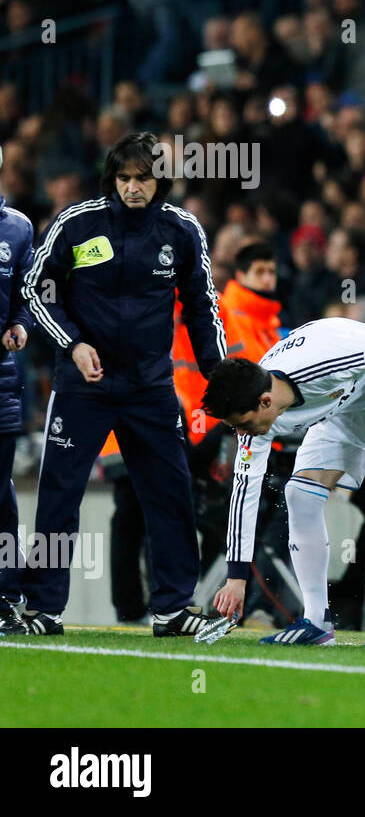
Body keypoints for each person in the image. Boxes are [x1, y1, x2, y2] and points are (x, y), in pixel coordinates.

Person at [14, 132, 226, 637]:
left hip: (151, 388)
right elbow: (36, 288)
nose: (133, 188)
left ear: (160, 181)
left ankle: (173, 610)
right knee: (59, 497)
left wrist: (218, 380)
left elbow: (202, 306)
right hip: (83, 387)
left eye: (143, 178)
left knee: (171, 495)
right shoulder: (77, 222)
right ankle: (45, 609)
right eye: (124, 178)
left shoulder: (182, 229)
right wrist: (72, 344)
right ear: (112, 178)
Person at [202, 317, 365, 648]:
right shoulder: (255, 407)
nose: (241, 434)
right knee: (299, 496)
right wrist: (236, 577)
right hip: (342, 403)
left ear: (265, 402)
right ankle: (317, 621)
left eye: (243, 424)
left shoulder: (321, 366)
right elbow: (244, 492)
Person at [0, 169, 33, 637]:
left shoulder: (18, 228)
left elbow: (27, 293)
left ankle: (7, 594)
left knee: (0, 494)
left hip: (1, 383)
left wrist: (21, 323)